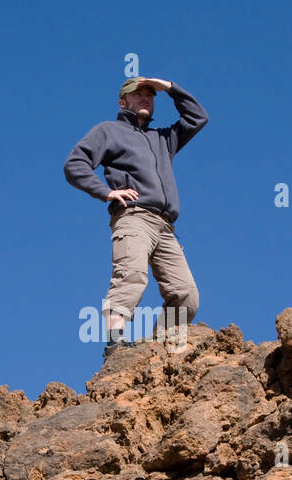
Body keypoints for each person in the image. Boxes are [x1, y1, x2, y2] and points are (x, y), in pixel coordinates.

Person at [64, 76, 209, 359]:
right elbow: (74, 164)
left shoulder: (163, 139)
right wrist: (104, 192)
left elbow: (198, 116)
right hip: (134, 217)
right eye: (138, 94)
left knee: (186, 295)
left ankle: (160, 348)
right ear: (123, 102)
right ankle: (115, 345)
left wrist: (169, 87)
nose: (146, 98)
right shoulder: (109, 131)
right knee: (131, 276)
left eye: (150, 95)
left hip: (166, 227)